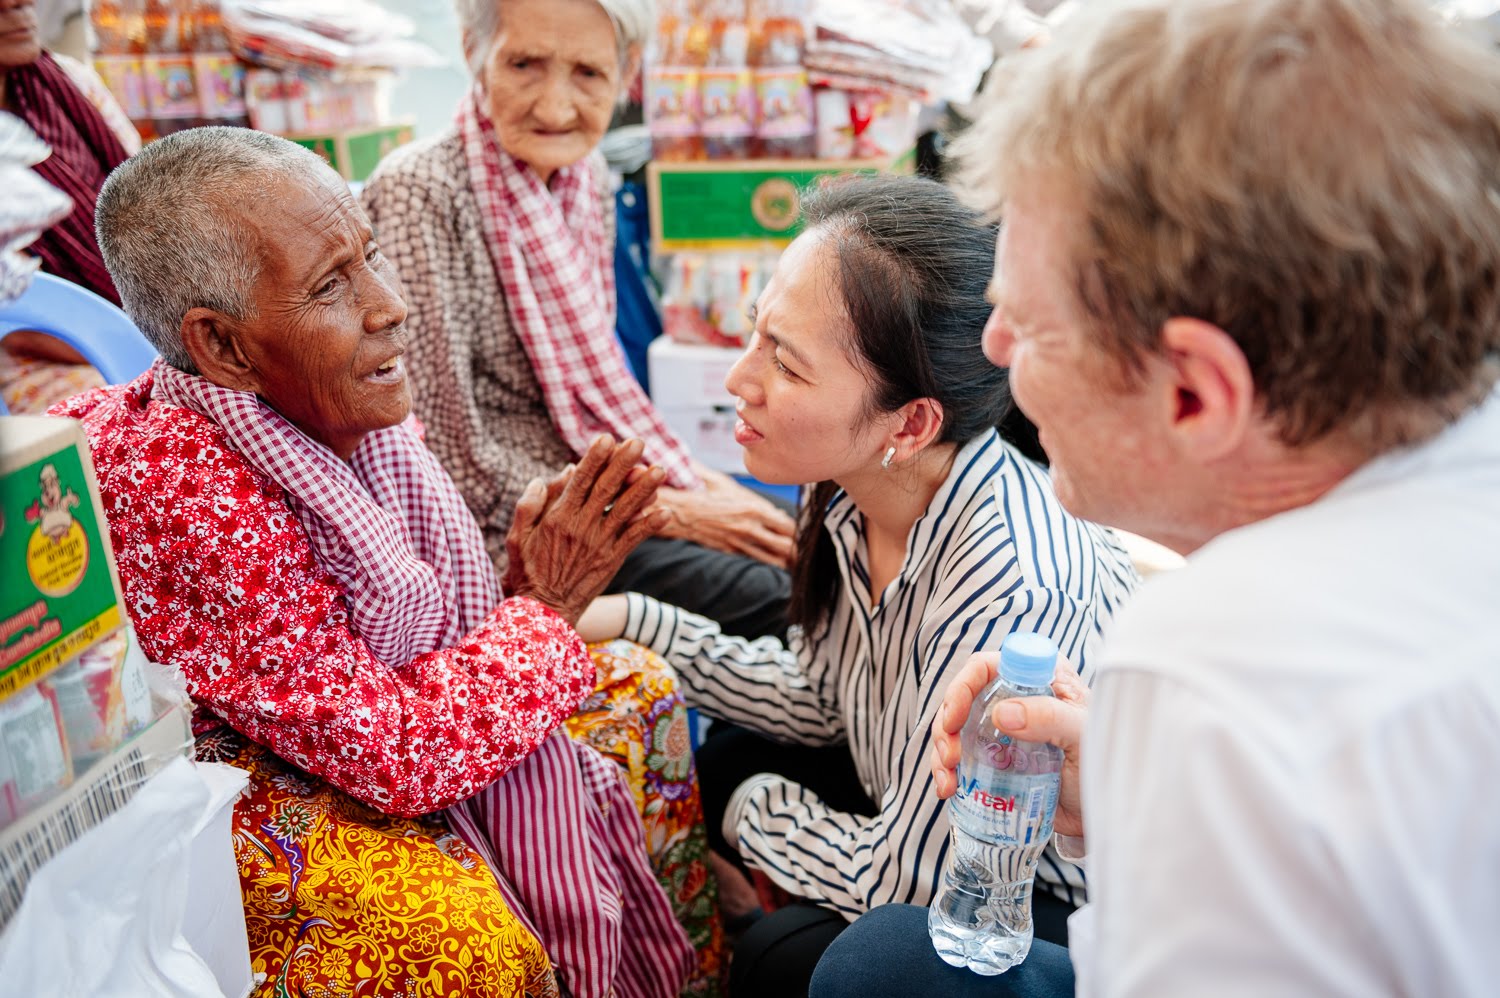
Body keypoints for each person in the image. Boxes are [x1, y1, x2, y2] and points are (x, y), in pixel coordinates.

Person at [811, 1, 1500, 996]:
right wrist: (1140, 797)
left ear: (1196, 390)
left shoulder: (1218, 661)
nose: (994, 350)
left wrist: (1178, 753)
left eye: (1031, 324)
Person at [53, 126, 722, 998]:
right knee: (460, 938)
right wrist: (546, 607)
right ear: (221, 347)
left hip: (333, 720)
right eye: (332, 284)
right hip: (220, 768)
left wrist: (515, 593)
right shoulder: (180, 481)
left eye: (368, 256)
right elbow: (396, 755)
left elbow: (396, 634)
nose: (388, 304)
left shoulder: (325, 405)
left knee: (638, 688)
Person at [578, 174, 1140, 995]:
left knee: (789, 950)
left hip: (1024, 902)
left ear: (909, 424)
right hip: (908, 812)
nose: (740, 379)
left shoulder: (1009, 590)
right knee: (732, 752)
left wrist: (741, 814)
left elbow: (907, 886)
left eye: (786, 365)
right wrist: (631, 619)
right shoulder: (858, 486)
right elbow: (825, 694)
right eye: (755, 335)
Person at [360, 0, 796, 642]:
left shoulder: (584, 178)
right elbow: (449, 460)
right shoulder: (419, 190)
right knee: (784, 598)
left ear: (627, 73)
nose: (556, 106)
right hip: (521, 533)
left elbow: (597, 399)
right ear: (473, 51)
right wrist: (680, 511)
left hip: (598, 489)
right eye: (525, 64)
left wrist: (696, 490)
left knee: (805, 541)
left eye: (588, 73)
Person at [0, 0, 141, 413]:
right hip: (28, 358)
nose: (17, 3)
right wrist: (139, 337)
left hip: (141, 320)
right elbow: (19, 327)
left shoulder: (70, 82)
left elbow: (150, 198)